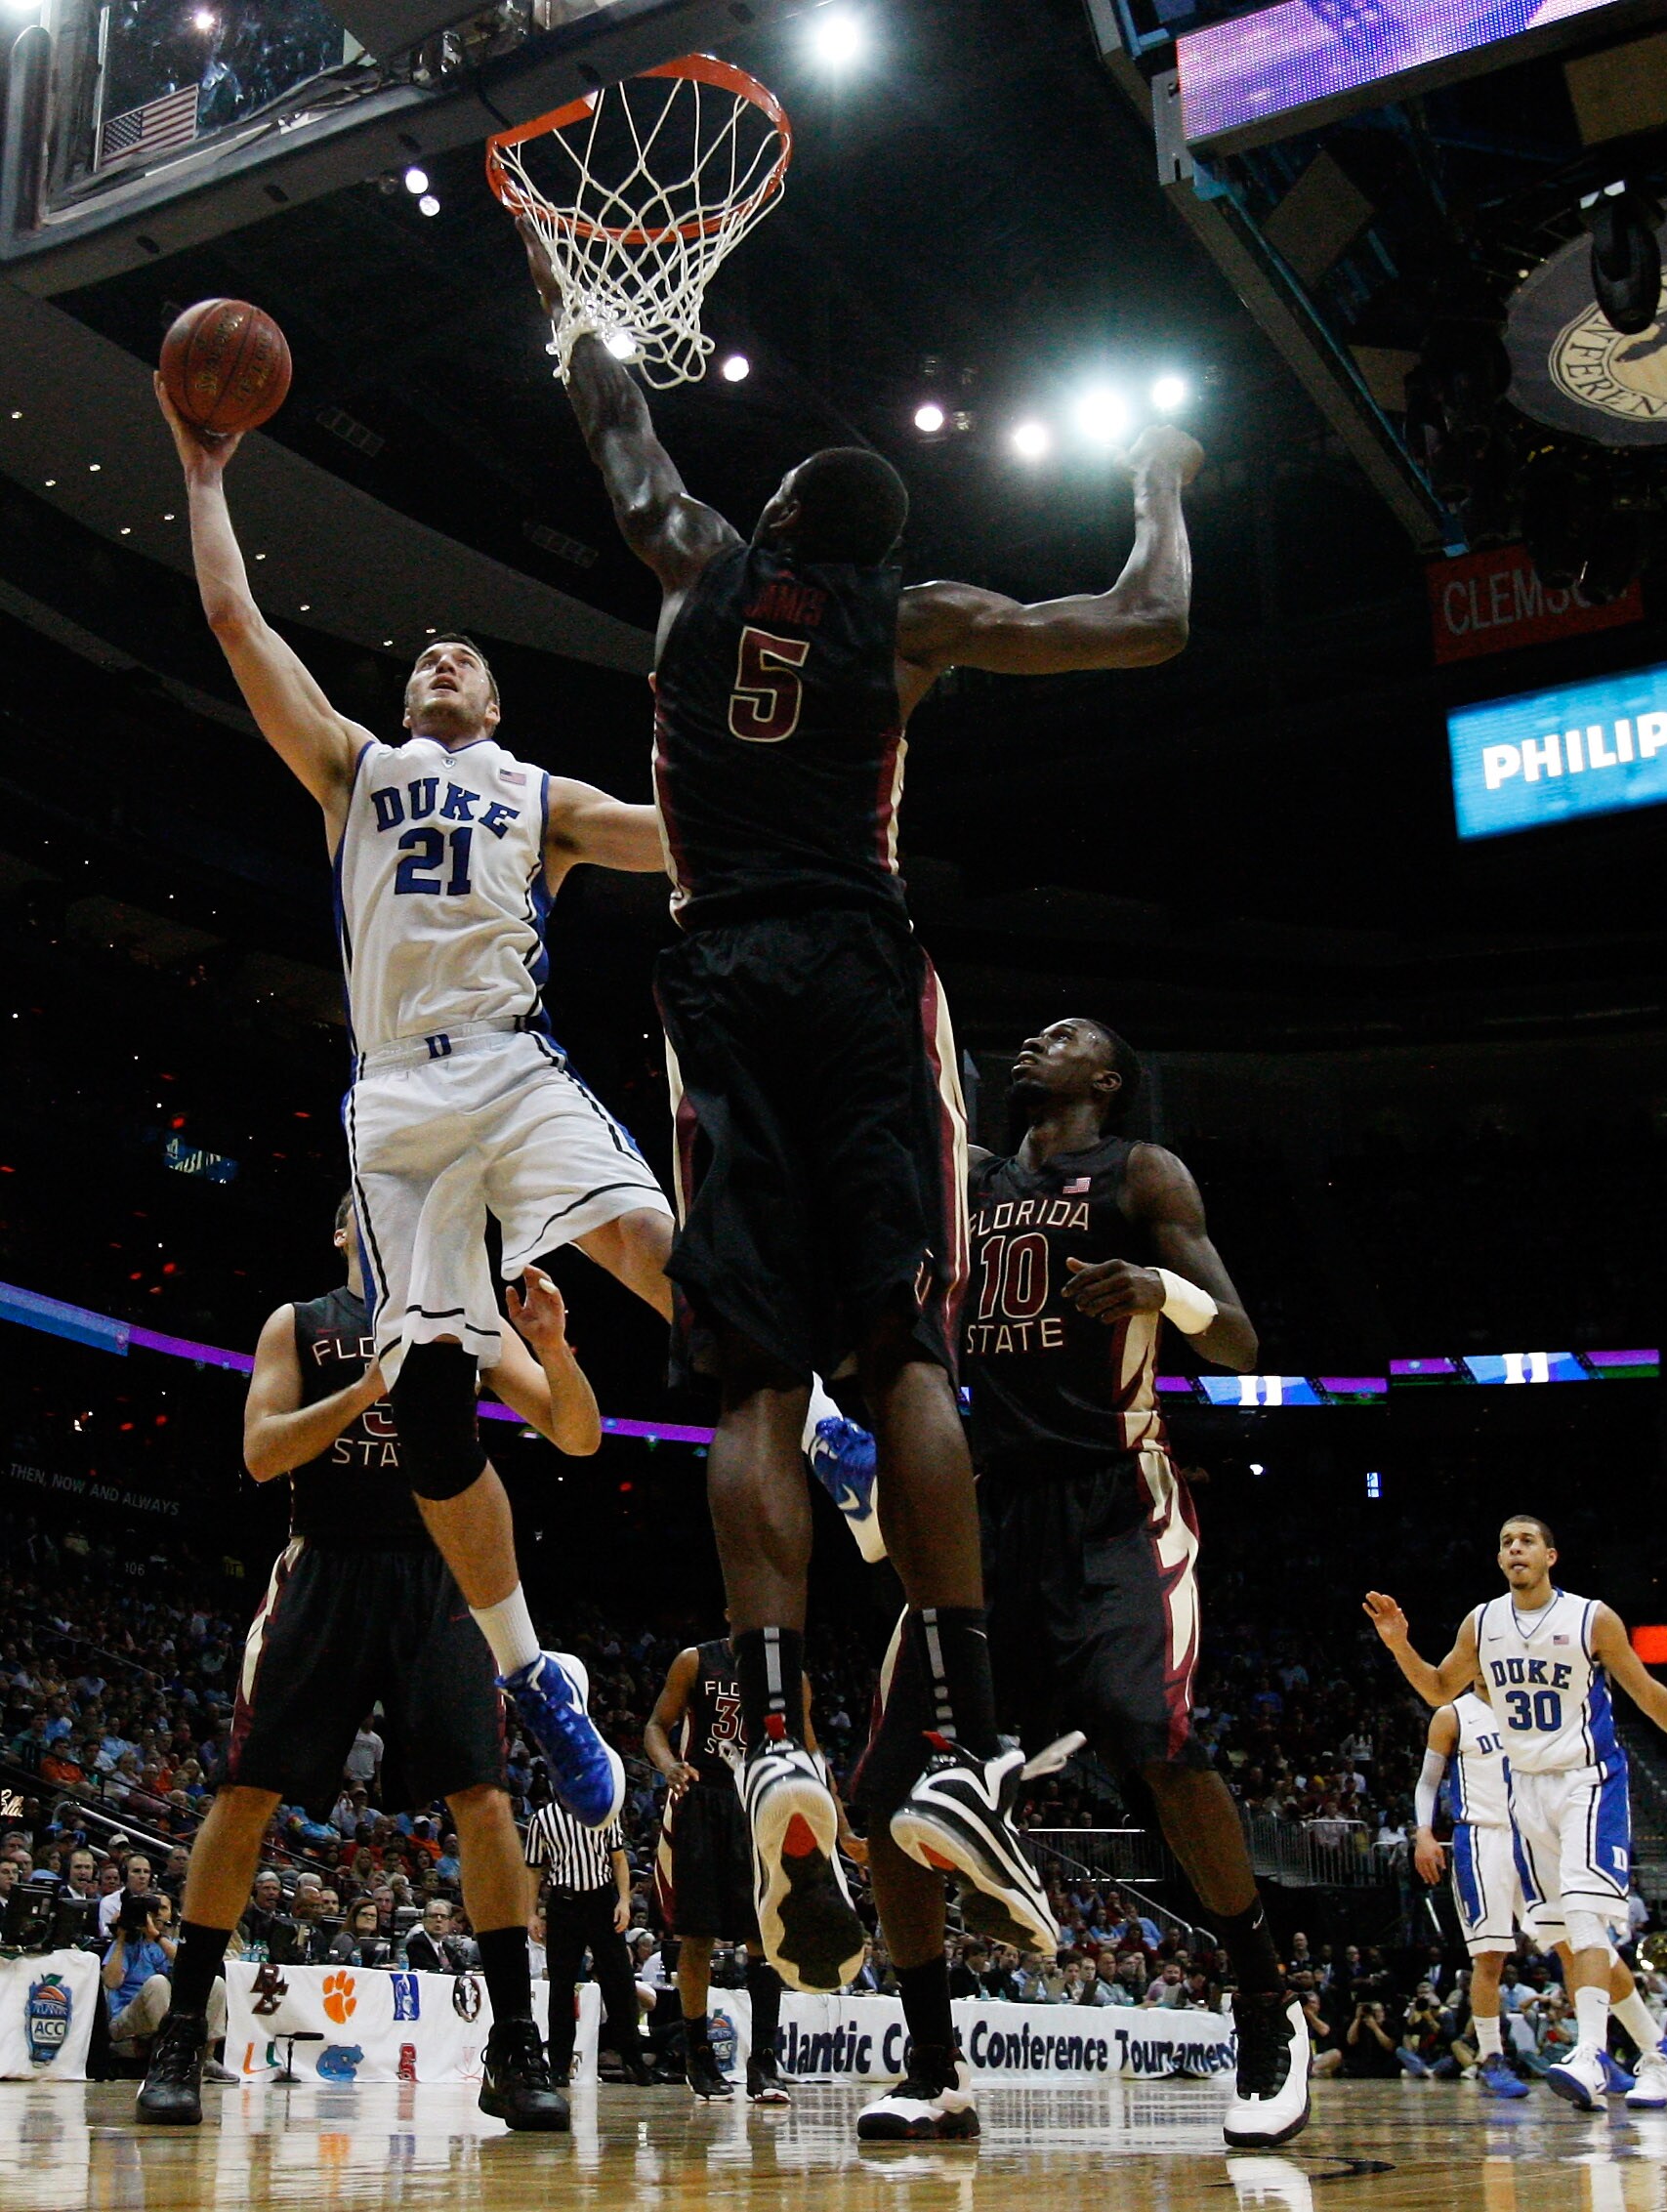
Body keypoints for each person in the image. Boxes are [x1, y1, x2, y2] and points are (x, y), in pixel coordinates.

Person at [518, 225, 1201, 2082]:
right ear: (882, 551)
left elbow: (622, 437)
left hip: (715, 975)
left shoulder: (694, 564)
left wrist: (575, 302)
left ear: (781, 513)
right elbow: (1143, 620)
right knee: (901, 1349)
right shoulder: (914, 623)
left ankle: (776, 1735)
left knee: (745, 1378)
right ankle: (963, 1746)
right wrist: (1158, 486)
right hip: (852, 962)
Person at [157, 374, 675, 1826]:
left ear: (495, 703)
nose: (442, 660)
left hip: (510, 1057)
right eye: (425, 654)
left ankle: (824, 1425)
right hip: (392, 1107)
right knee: (437, 1418)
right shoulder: (353, 768)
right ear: (404, 694)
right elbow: (236, 628)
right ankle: (536, 1683)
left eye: (465, 657)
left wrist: (802, 773)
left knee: (642, 1239)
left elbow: (680, 842)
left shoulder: (538, 793)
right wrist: (204, 478)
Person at [815, 1020, 1303, 2148]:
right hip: (984, 1511)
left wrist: (1156, 1293)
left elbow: (1238, 1339)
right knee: (887, 1793)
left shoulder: (1140, 1172)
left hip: (1116, 1497)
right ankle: (933, 2066)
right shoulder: (969, 1182)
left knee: (1156, 1740)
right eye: (1033, 1034)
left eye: (1067, 1034)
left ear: (1109, 1078)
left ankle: (1268, 2006)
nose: (1039, 1039)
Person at [134, 1200, 605, 2132]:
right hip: (326, 1564)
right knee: (246, 1790)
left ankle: (515, 2042)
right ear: (347, 1228)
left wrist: (552, 1345)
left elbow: (578, 1433)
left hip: (444, 1574)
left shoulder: (465, 1315)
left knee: (483, 1796)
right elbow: (261, 1454)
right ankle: (181, 2028)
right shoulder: (301, 1323)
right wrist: (365, 1390)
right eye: (370, 1206)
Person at [1366, 1515, 1667, 2111]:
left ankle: (1594, 2052)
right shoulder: (1483, 1622)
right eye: (1505, 1542)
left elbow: (1648, 1693)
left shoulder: (1591, 1618)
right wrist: (1399, 1645)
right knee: (1570, 1940)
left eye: (1526, 1541)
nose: (1514, 1549)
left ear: (1551, 1556)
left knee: (1584, 1913)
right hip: (1526, 1790)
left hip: (1587, 1780)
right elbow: (1441, 1689)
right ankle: (1659, 2053)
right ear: (1499, 1560)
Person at [643, 1635, 864, 2104]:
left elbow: (811, 1755)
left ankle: (763, 2061)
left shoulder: (791, 1679)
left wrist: (842, 1828)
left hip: (762, 1804)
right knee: (696, 1934)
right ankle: (698, 2053)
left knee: (764, 1935)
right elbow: (656, 1726)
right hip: (701, 1798)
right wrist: (668, 1766)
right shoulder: (696, 1661)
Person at [1409, 1684, 1527, 2097]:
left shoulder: (1530, 1701)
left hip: (1533, 1835)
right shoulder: (1454, 1715)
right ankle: (1492, 2056)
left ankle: (1593, 2052)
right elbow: (1427, 1783)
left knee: (1572, 1943)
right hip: (1482, 1838)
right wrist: (1424, 1833)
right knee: (1490, 1955)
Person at [524, 1791, 652, 2089]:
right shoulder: (541, 1819)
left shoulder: (601, 1810)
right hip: (563, 1904)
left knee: (619, 1984)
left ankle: (633, 2062)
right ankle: (558, 2066)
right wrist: (530, 1913)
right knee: (561, 1988)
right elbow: (533, 1870)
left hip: (602, 1902)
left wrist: (623, 1901)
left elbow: (619, 1859)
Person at [104, 1892, 226, 2062]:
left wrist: (156, 1936)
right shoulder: (126, 1945)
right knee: (157, 1982)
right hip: (128, 2018)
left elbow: (192, 1968)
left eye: (162, 1908)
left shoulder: (171, 1943)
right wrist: (122, 1936)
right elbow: (112, 1982)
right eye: (151, 1909)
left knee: (215, 1982)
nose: (156, 1913)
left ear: (171, 1914)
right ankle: (170, 2057)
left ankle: (208, 2058)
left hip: (172, 2011)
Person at [407, 1897, 476, 1973]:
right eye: (433, 1916)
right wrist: (470, 1973)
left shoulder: (448, 1949)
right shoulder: (417, 1944)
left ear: (449, 1922)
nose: (439, 1920)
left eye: (443, 1917)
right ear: (424, 1921)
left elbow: (462, 1968)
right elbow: (433, 1971)